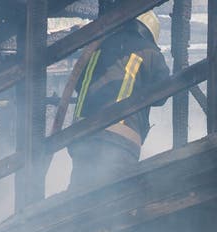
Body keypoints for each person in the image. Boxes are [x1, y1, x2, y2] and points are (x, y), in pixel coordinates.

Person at [68, 11, 170, 191]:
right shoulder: (149, 52)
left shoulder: (96, 49)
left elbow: (78, 84)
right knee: (115, 198)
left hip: (81, 134)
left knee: (79, 194)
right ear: (150, 33)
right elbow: (162, 95)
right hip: (119, 137)